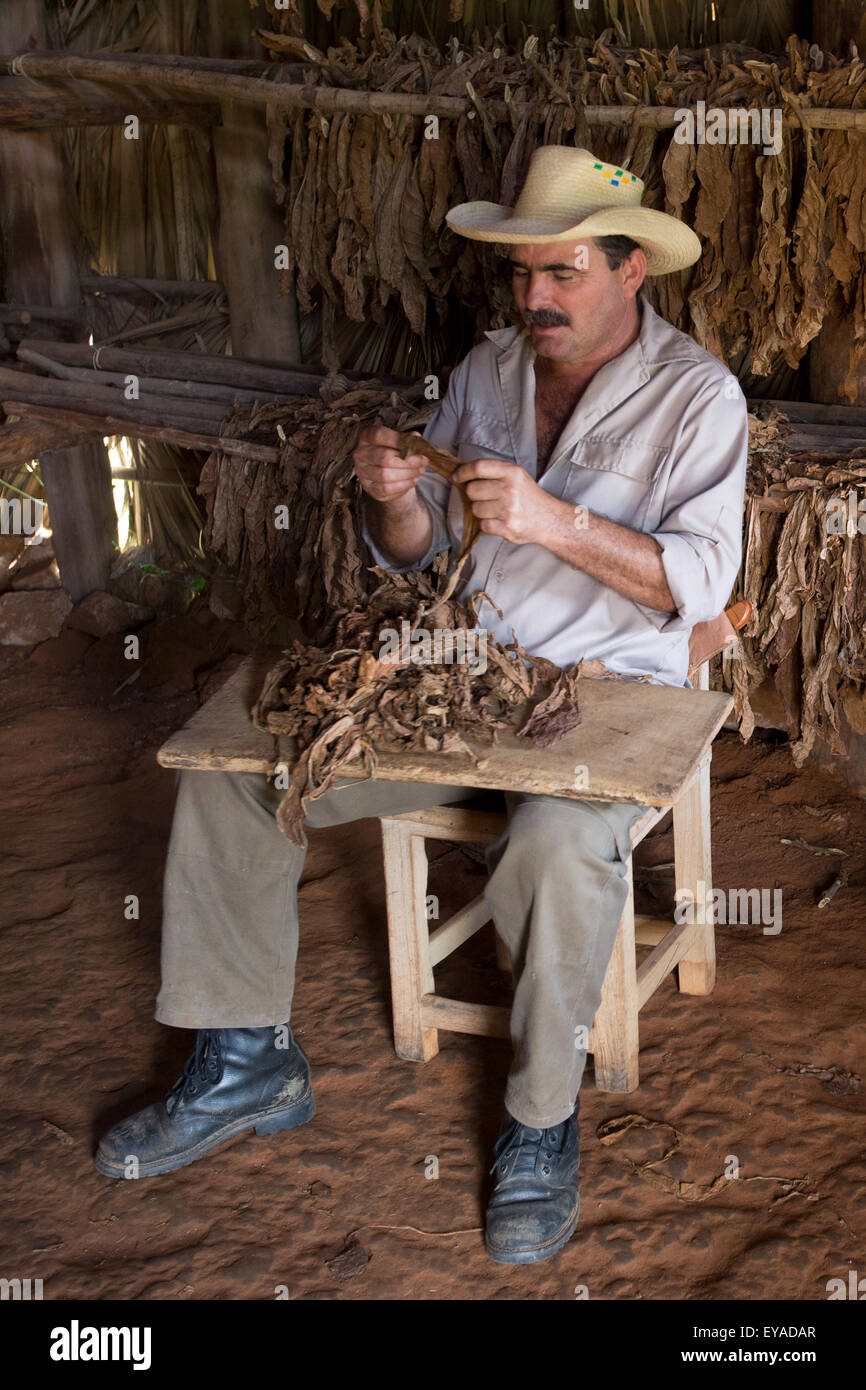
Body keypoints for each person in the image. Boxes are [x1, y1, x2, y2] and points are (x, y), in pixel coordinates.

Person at [96, 145, 748, 1267]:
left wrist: (551, 522)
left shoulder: (698, 398)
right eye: (520, 276)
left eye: (563, 273)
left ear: (631, 268)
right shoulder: (484, 371)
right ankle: (249, 1056)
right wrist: (395, 501)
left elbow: (691, 584)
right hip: (462, 677)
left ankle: (539, 1126)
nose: (533, 299)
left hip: (606, 699)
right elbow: (425, 551)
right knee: (244, 773)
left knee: (550, 848)